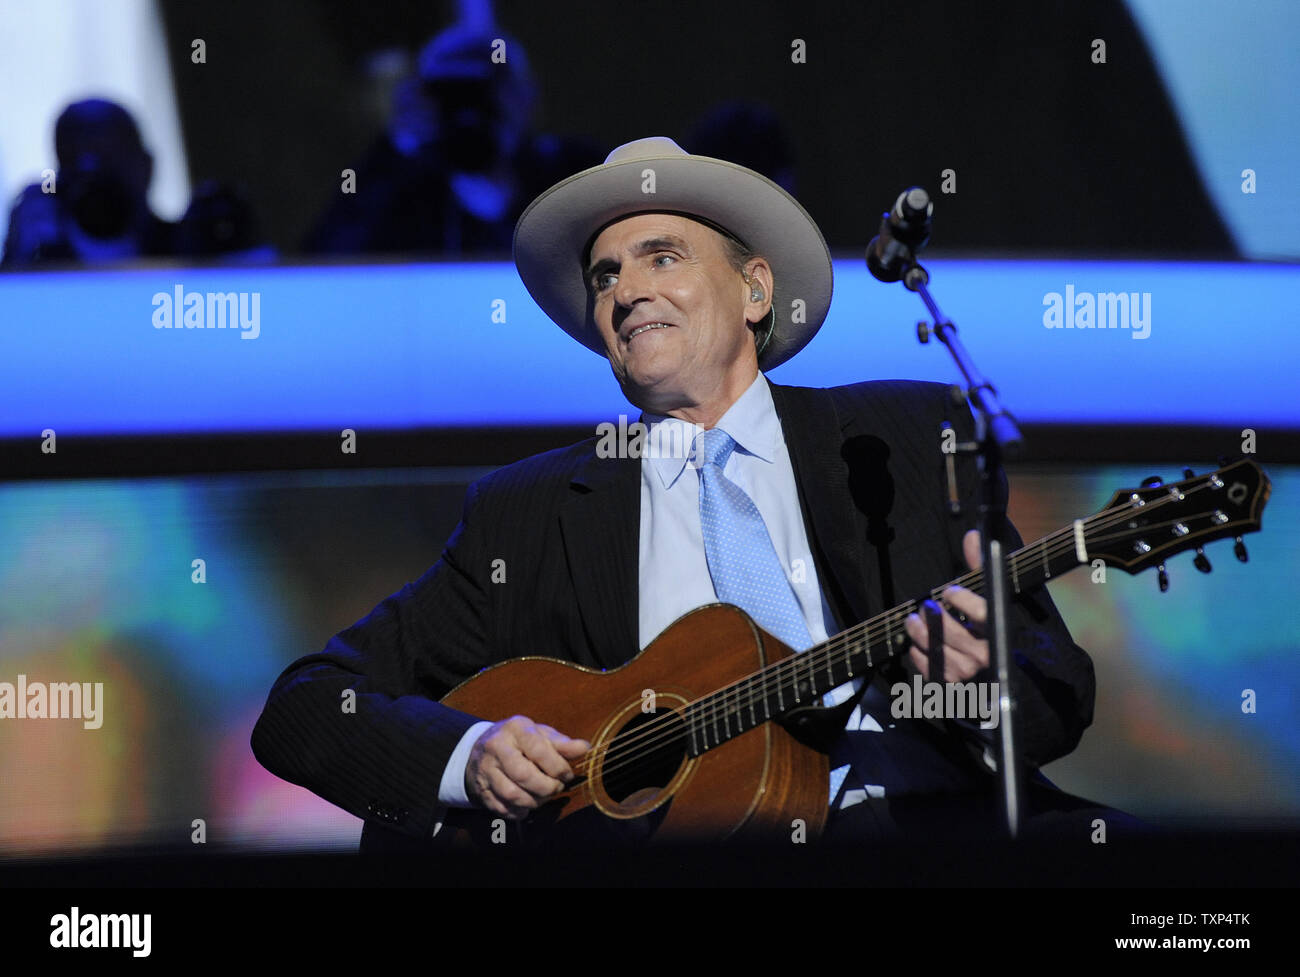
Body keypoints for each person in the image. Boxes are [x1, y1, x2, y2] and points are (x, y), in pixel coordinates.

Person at [252, 136, 1107, 850]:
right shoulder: (529, 511)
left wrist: (984, 678)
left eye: (663, 257)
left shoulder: (900, 438)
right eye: (604, 275)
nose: (627, 291)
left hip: (926, 836)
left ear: (755, 290)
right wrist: (469, 753)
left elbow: (1054, 698)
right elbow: (307, 703)